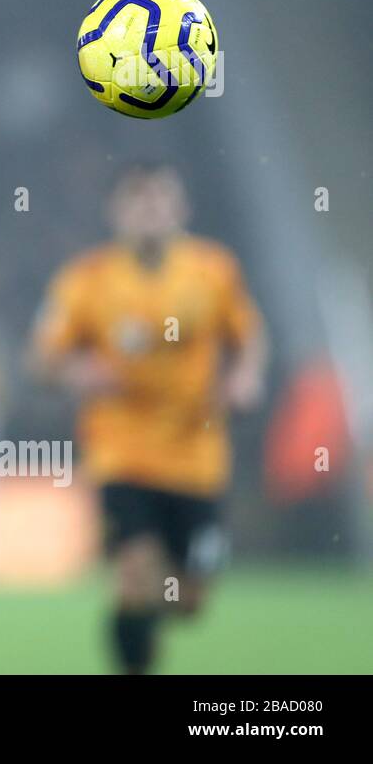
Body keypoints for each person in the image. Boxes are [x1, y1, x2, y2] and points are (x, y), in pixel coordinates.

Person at [28, 163, 267, 674]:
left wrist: (245, 378)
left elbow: (248, 338)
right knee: (138, 575)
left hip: (197, 457)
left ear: (182, 209)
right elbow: (43, 360)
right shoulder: (86, 280)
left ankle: (138, 626)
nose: (151, 212)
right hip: (122, 455)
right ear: (116, 212)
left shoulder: (214, 271)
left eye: (161, 200)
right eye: (139, 202)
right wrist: (77, 373)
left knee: (188, 601)